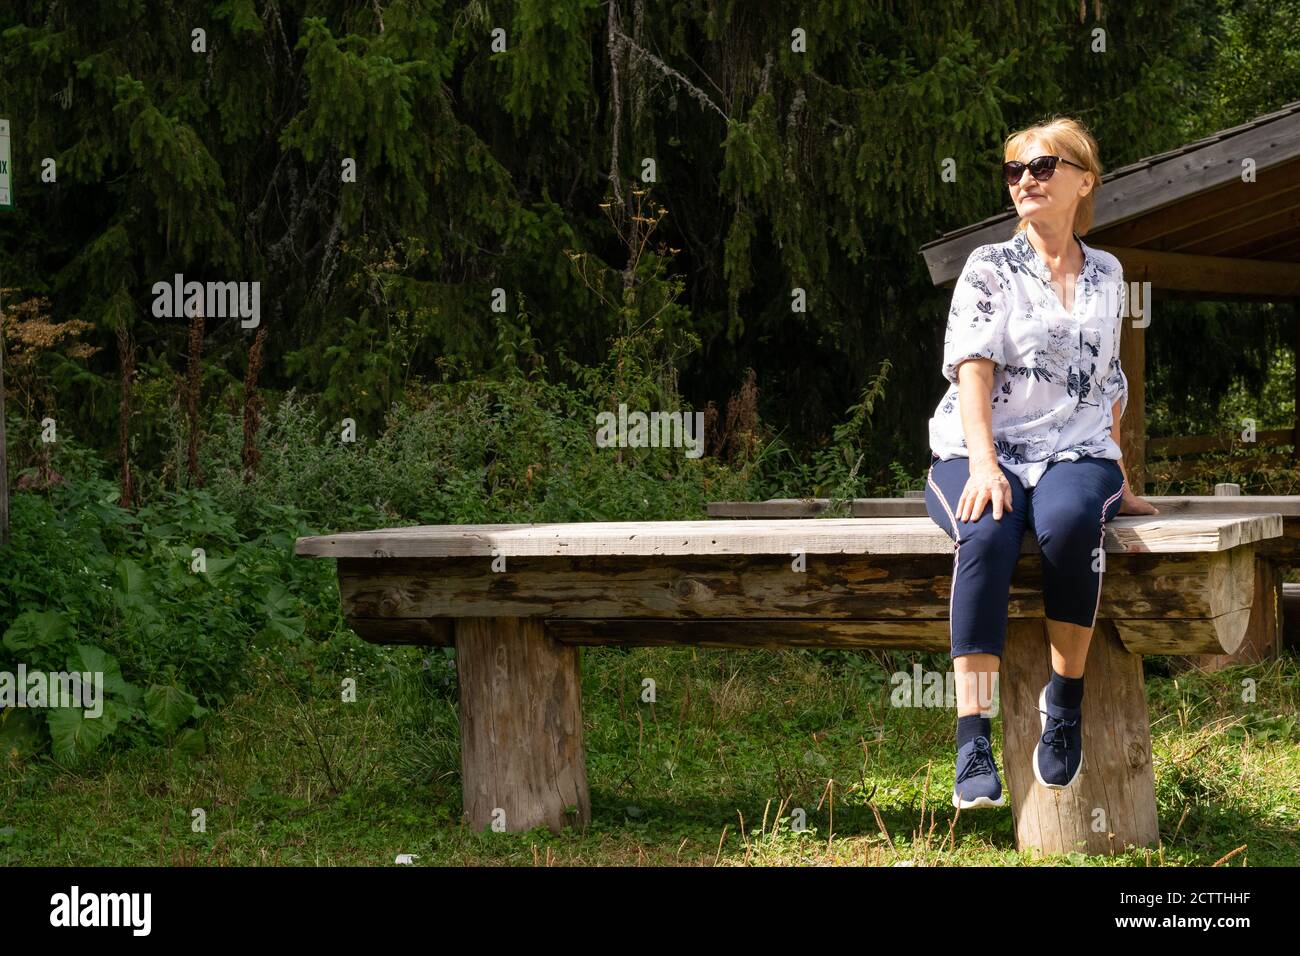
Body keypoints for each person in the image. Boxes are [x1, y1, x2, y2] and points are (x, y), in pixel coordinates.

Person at [923, 116, 1160, 810]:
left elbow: (1108, 379)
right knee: (990, 526)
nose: (1025, 180)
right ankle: (973, 737)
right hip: (980, 445)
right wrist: (987, 466)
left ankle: (1065, 706)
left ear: (1084, 180)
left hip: (1076, 450)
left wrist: (1126, 475)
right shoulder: (990, 267)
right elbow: (971, 370)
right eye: (1014, 170)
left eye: (1043, 166)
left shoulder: (1108, 273)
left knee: (1069, 520)